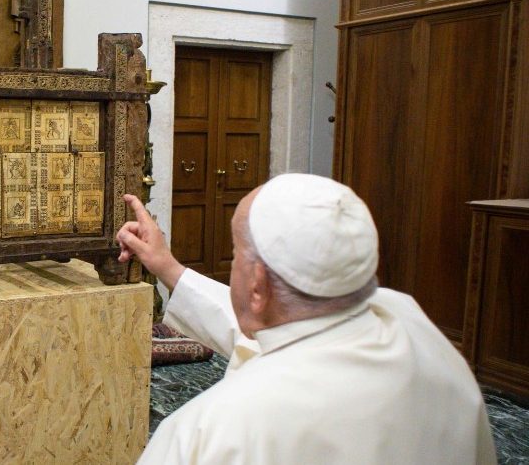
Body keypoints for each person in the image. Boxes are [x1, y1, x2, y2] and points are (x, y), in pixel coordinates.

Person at [116, 173, 496, 464]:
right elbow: (279, 336)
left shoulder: (211, 431)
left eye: (236, 253)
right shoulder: (416, 329)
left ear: (258, 283)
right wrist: (167, 266)